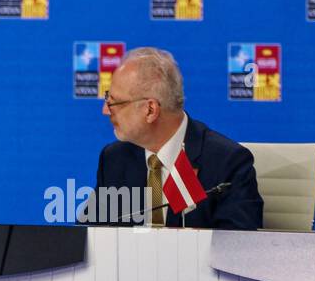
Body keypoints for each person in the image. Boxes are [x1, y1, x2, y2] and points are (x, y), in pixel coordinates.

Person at [93, 47, 262, 230]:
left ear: (150, 110)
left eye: (113, 102)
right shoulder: (115, 159)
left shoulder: (226, 164)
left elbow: (239, 248)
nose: (105, 110)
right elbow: (89, 239)